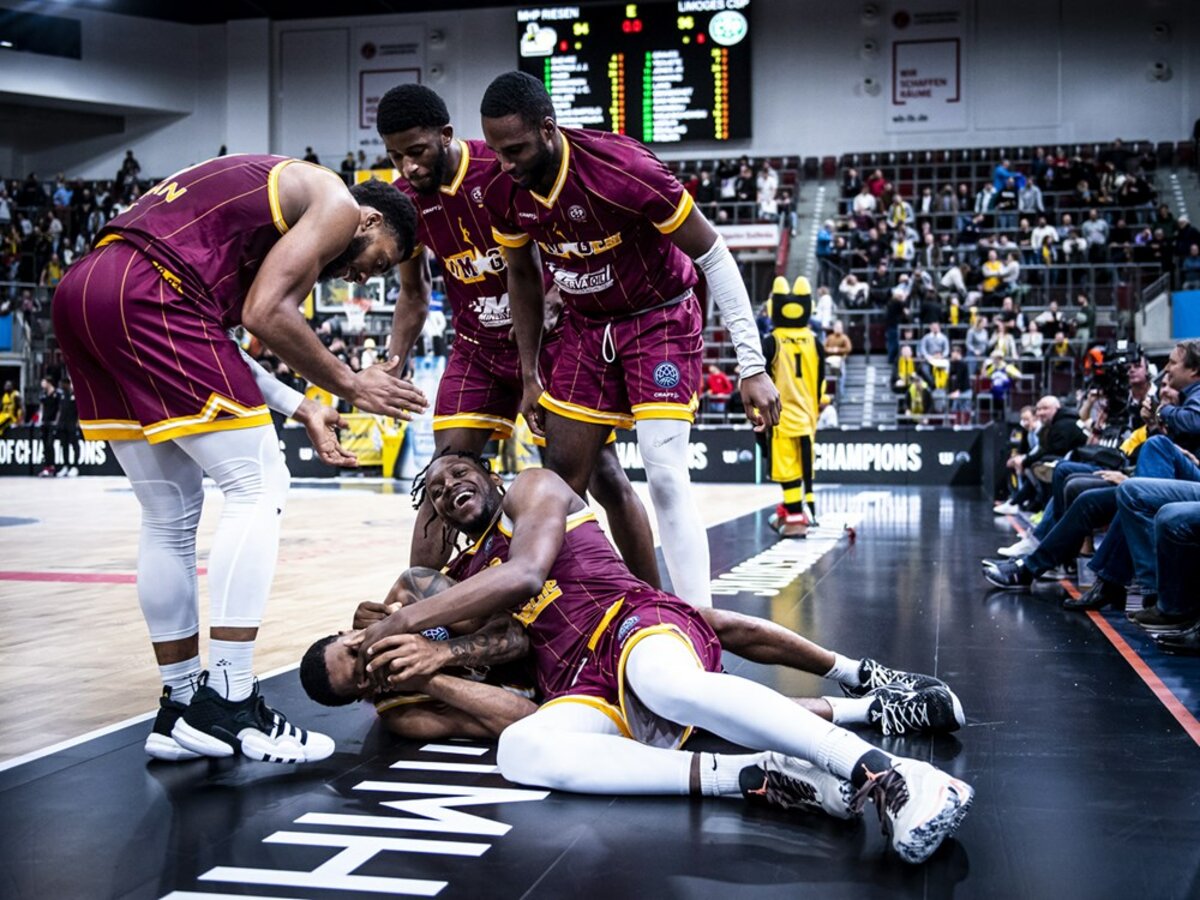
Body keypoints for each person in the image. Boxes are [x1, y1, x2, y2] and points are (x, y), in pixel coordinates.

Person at [346, 452, 974, 865]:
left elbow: (527, 574)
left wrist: (405, 622)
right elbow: (492, 633)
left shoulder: (533, 490)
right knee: (522, 751)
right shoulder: (455, 582)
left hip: (629, 623)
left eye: (460, 473)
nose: (451, 486)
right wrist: (410, 634)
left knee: (671, 681)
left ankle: (892, 773)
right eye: (435, 490)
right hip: (577, 682)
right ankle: (754, 776)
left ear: (492, 475)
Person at [51, 153, 427, 764]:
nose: (361, 278)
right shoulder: (333, 200)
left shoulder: (253, 227)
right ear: (368, 219)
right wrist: (349, 384)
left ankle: (179, 707)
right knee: (258, 483)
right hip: (147, 293)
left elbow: (216, 333)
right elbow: (263, 315)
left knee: (169, 514)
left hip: (86, 290)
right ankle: (229, 697)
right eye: (376, 260)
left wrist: (302, 405)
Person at [478, 71, 781, 609]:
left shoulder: (624, 168)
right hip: (586, 328)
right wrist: (528, 374)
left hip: (659, 319)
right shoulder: (505, 190)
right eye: (497, 151)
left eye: (516, 149)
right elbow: (522, 277)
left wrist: (751, 366)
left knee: (663, 475)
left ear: (548, 130)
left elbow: (714, 254)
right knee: (561, 483)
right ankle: (564, 616)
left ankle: (697, 624)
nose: (505, 163)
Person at [374, 83, 658, 582]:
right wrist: (392, 363)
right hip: (477, 349)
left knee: (600, 477)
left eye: (416, 152)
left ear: (445, 135)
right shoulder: (406, 201)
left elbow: (568, 246)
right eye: (395, 157)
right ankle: (422, 609)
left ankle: (650, 600)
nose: (408, 168)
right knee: (442, 475)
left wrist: (555, 299)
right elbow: (414, 295)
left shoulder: (504, 167)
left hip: (550, 345)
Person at [305, 564, 964, 741]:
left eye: (353, 649)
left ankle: (856, 670)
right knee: (699, 714)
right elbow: (514, 717)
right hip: (560, 682)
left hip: (552, 622)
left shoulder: (415, 596)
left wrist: (432, 643)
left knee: (702, 618)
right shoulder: (405, 712)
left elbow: (509, 627)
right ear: (364, 696)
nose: (368, 659)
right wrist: (437, 678)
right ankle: (864, 710)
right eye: (360, 677)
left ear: (350, 629)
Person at [763, 277, 825, 536]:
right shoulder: (815, 342)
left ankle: (796, 517)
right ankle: (798, 508)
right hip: (807, 418)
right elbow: (821, 382)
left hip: (781, 416)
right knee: (803, 467)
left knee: (787, 466)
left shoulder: (772, 340)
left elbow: (761, 377)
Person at [36, 376, 62, 477]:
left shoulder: (57, 394)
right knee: (45, 446)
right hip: (44, 423)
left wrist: (56, 421)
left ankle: (52, 467)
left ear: (49, 382)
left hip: (52, 423)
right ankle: (46, 467)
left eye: (44, 382)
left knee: (50, 445)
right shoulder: (43, 394)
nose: (42, 383)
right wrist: (40, 420)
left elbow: (60, 409)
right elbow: (41, 408)